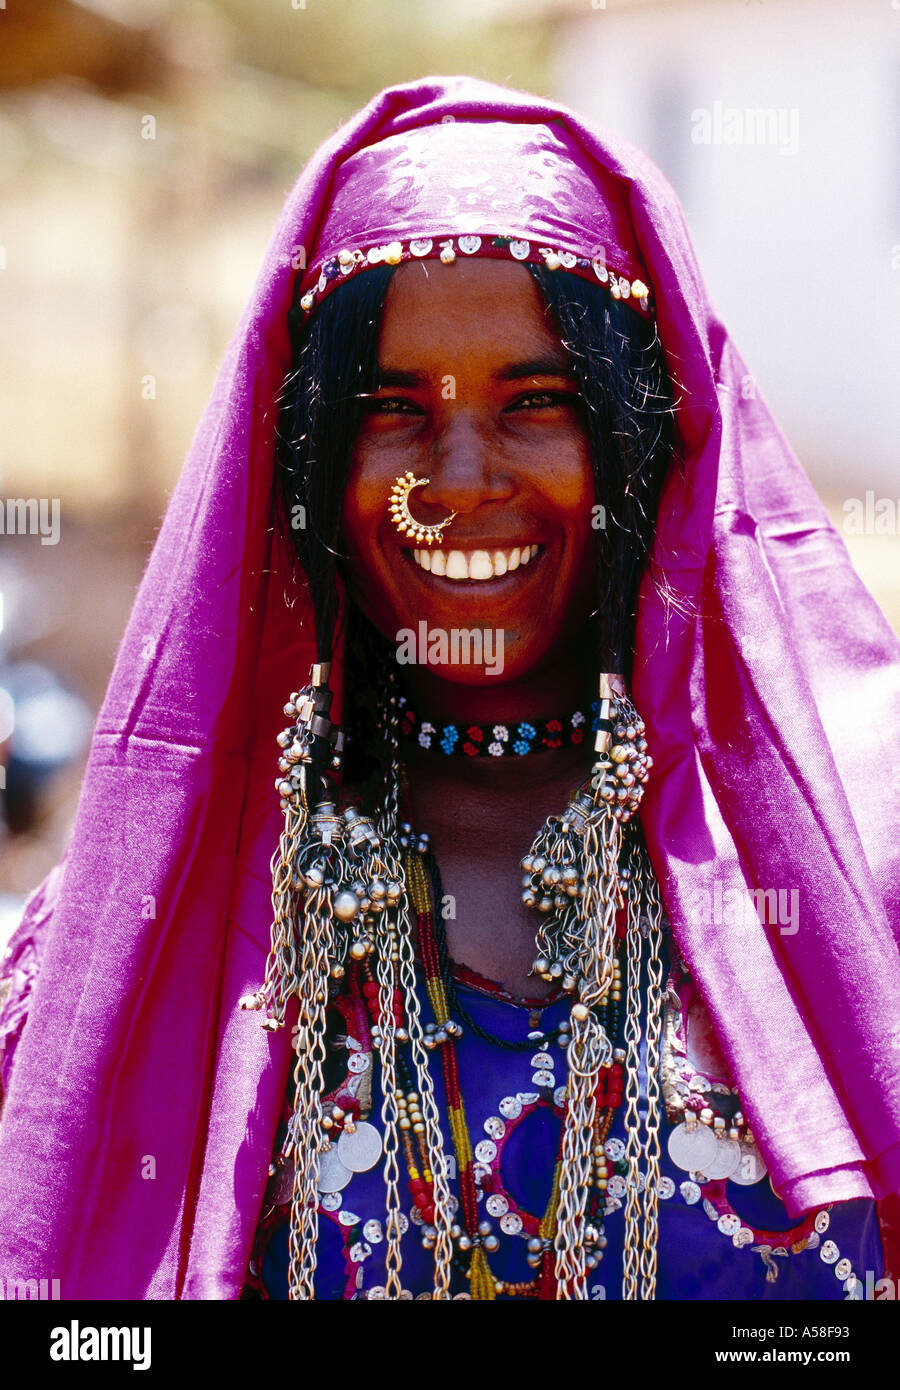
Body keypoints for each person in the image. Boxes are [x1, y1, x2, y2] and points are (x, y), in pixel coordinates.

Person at [1, 76, 899, 1303]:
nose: (459, 479)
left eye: (539, 403)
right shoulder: (140, 938)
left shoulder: (856, 872)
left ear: (642, 435)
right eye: (389, 410)